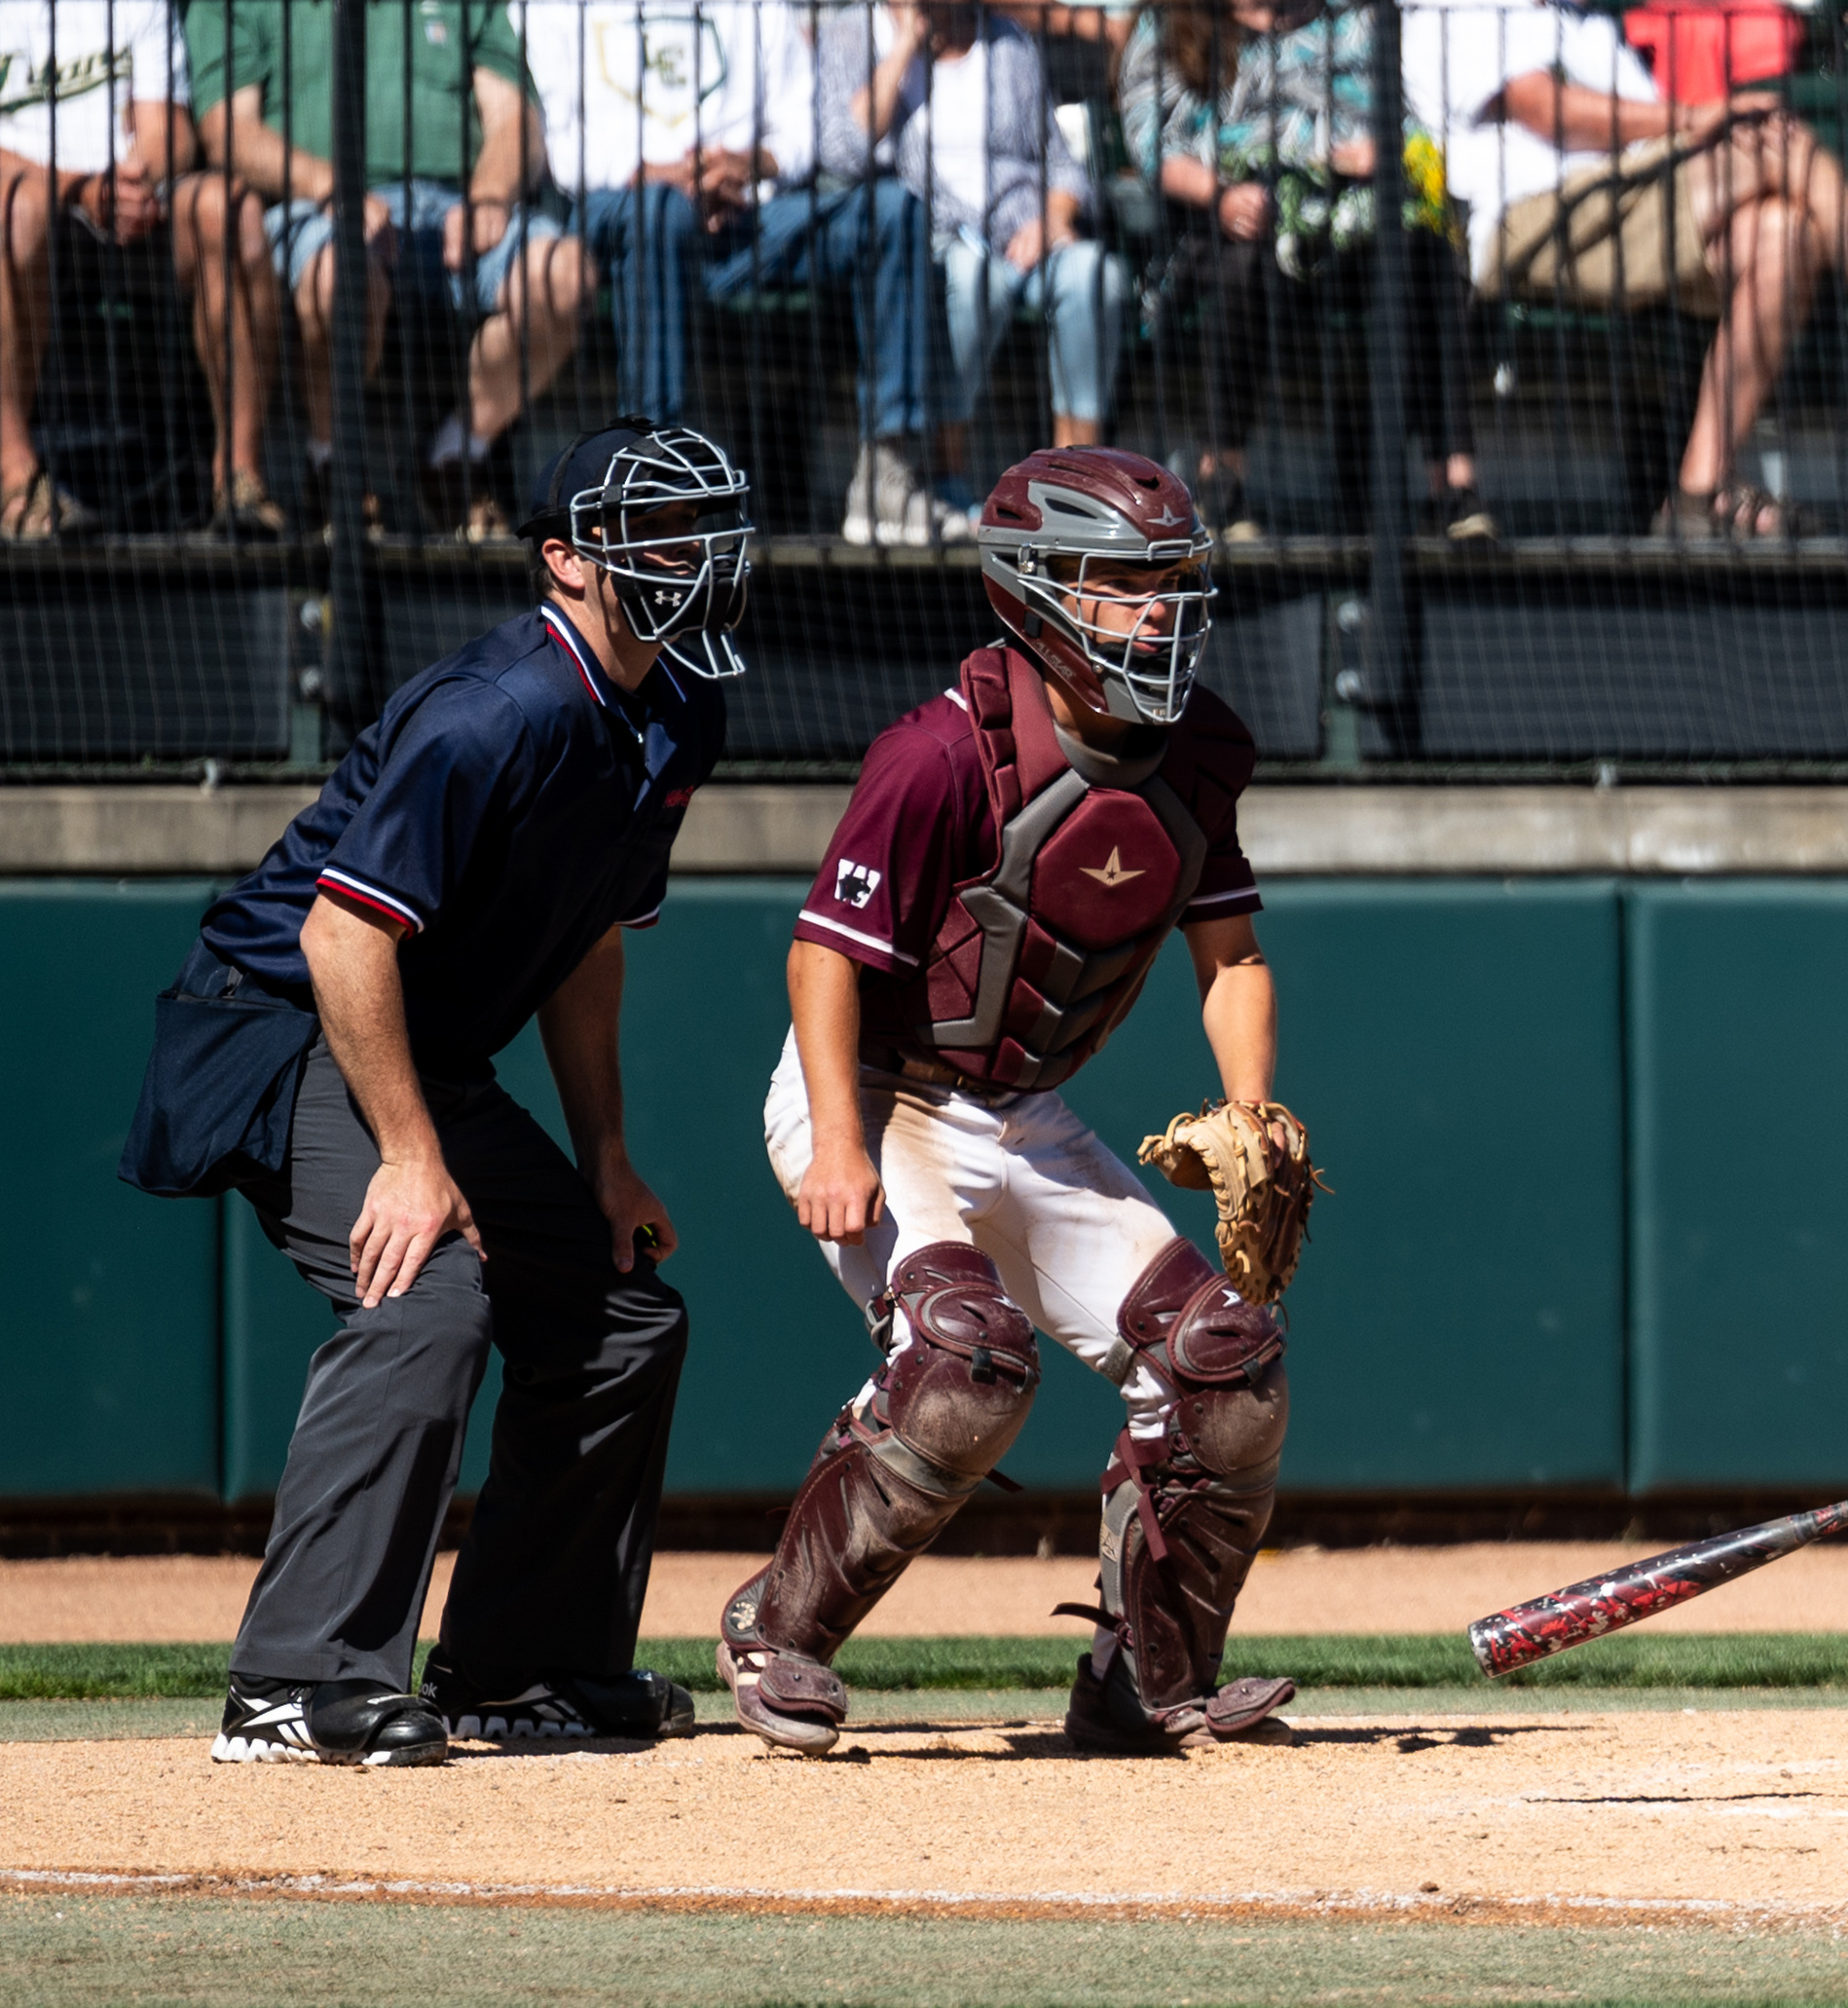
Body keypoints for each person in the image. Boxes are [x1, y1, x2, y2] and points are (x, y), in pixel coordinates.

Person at [118, 417, 752, 1767]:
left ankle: (521, 1668)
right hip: (277, 1025)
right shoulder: (499, 708)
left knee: (621, 1308)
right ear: (564, 562)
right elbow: (340, 937)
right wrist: (411, 1155)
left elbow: (587, 940)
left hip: (406, 1046)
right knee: (431, 1284)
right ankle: (293, 1682)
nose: (685, 553)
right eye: (649, 528)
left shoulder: (682, 702)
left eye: (697, 524)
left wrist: (608, 1154)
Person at [715, 445, 1310, 1759]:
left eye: (1169, 581)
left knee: (1230, 1364)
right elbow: (824, 955)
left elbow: (1235, 958)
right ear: (1036, 594)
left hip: (1024, 1110)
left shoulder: (1201, 750)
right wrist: (834, 1141)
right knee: (966, 1365)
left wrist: (1253, 1108)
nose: (1156, 610)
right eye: (1120, 584)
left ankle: (1144, 1678)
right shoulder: (942, 751)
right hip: (875, 1089)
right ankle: (779, 1631)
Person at [1405, 0, 1848, 539]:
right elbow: (1548, 111)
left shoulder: (1574, 15)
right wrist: (1699, 118)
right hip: (1535, 219)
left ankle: (1699, 491)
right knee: (1782, 143)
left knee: (1788, 233)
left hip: (1631, 200)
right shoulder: (1463, 7)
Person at [521, 0, 957, 545]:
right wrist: (666, 176)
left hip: (743, 218)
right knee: (663, 212)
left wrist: (747, 164)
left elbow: (799, 136)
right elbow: (563, 152)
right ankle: (655, 468)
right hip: (625, 213)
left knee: (894, 212)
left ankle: (890, 468)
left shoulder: (760, 8)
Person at [185, 0, 593, 539]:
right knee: (340, 279)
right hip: (313, 203)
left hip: (453, 208)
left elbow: (515, 117)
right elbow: (227, 132)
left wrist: (490, 197)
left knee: (565, 277)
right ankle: (333, 466)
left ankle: (453, 456)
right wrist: (333, 187)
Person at [1121, 0, 1487, 541]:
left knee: (1424, 252)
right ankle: (1220, 482)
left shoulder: (1355, 20)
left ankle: (1453, 487)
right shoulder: (1172, 22)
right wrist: (1220, 195)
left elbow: (1414, 123)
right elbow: (1151, 140)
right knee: (1241, 264)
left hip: (1352, 218)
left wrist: (1382, 150)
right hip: (1232, 218)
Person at [821, 0, 1129, 503]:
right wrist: (905, 46)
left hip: (1025, 227)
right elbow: (844, 152)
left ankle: (1074, 480)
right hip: (932, 236)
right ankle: (945, 474)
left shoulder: (1007, 41)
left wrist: (1052, 219)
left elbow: (1062, 163)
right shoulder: (855, 33)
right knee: (974, 278)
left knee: (1095, 276)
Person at [0, 0, 283, 536]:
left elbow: (170, 132)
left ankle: (239, 478)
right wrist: (80, 189)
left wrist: (132, 181)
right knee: (16, 208)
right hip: (30, 206)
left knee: (231, 212)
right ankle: (17, 482)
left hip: (130, 203)